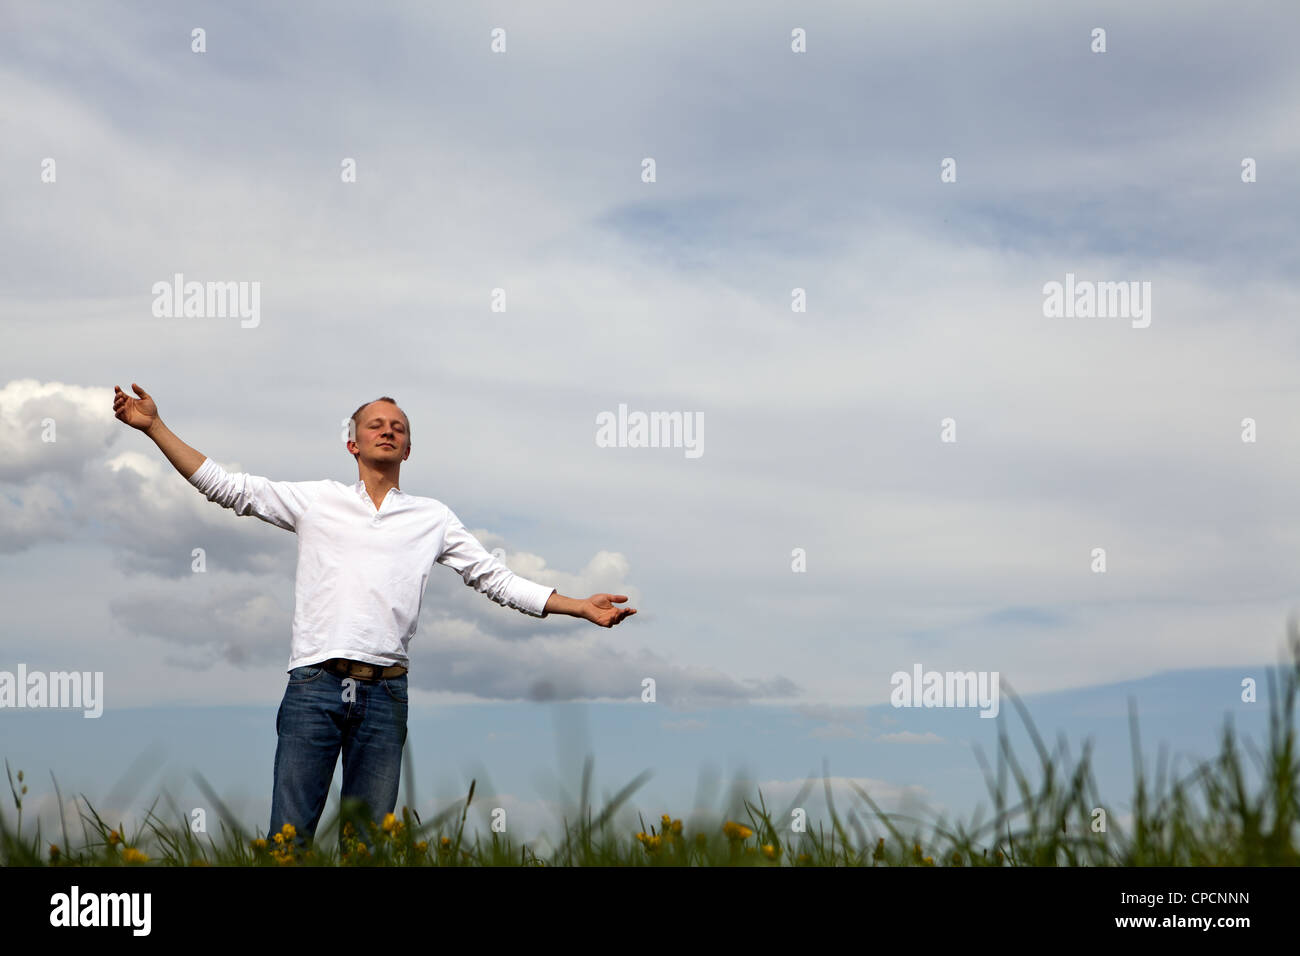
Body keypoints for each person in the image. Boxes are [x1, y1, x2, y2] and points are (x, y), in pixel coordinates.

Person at [112, 382, 636, 853]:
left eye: (399, 428)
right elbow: (228, 488)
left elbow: (494, 579)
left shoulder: (432, 518)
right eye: (376, 424)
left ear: (408, 449)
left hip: (386, 696)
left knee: (366, 849)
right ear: (353, 444)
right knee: (288, 840)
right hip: (316, 686)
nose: (388, 430)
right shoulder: (317, 501)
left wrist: (578, 606)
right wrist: (155, 427)